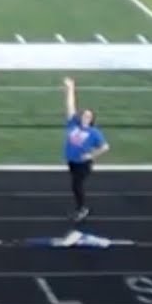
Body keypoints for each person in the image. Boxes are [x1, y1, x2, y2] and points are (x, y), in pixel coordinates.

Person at [63, 76, 109, 222]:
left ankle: (82, 209)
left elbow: (105, 147)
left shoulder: (94, 132)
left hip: (83, 164)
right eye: (83, 114)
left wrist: (90, 155)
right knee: (75, 184)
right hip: (72, 161)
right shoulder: (73, 124)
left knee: (77, 185)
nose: (84, 116)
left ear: (91, 119)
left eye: (88, 116)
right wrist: (70, 88)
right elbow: (70, 106)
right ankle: (81, 207)